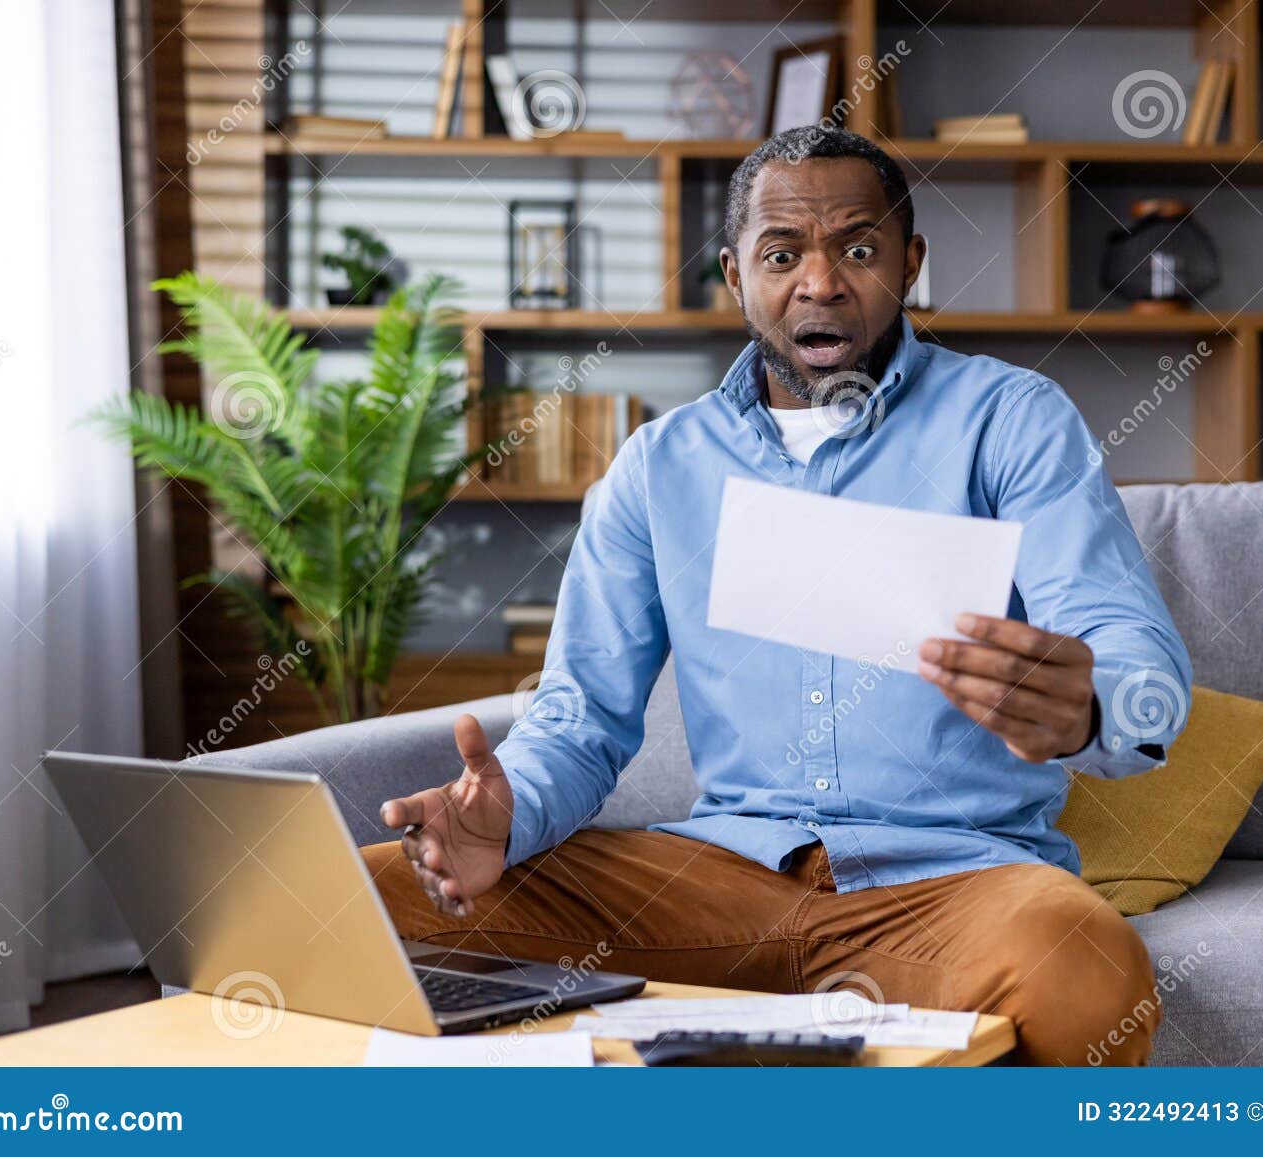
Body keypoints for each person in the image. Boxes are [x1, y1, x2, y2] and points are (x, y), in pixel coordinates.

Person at [367, 126, 1191, 1065]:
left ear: (911, 262)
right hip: (716, 879)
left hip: (952, 884)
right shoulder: (657, 467)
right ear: (735, 275)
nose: (822, 281)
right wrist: (507, 814)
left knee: (1086, 968)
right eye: (782, 253)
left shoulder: (1010, 421)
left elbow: (1134, 655)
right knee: (346, 907)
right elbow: (582, 719)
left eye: (859, 247)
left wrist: (1088, 707)